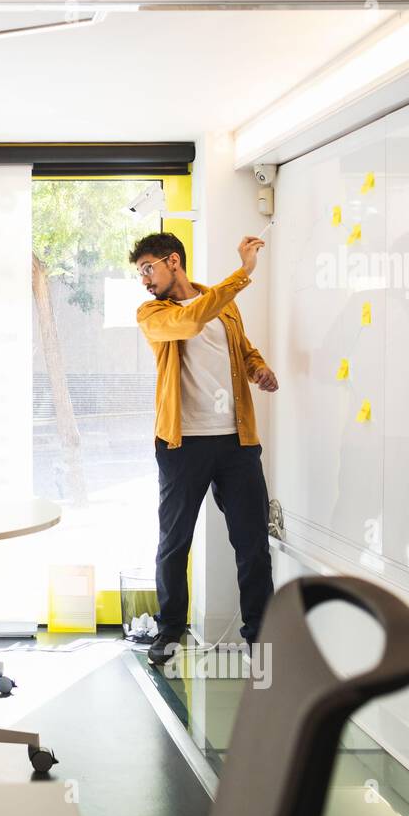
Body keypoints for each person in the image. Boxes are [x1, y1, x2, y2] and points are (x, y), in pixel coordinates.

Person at [131, 233, 277, 664]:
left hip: (238, 443)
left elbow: (243, 351)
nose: (144, 280)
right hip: (182, 444)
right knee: (174, 544)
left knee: (253, 544)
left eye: (147, 269)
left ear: (173, 261)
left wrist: (260, 369)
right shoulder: (153, 312)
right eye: (140, 273)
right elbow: (191, 321)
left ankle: (260, 639)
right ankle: (170, 631)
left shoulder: (223, 304)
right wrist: (243, 274)